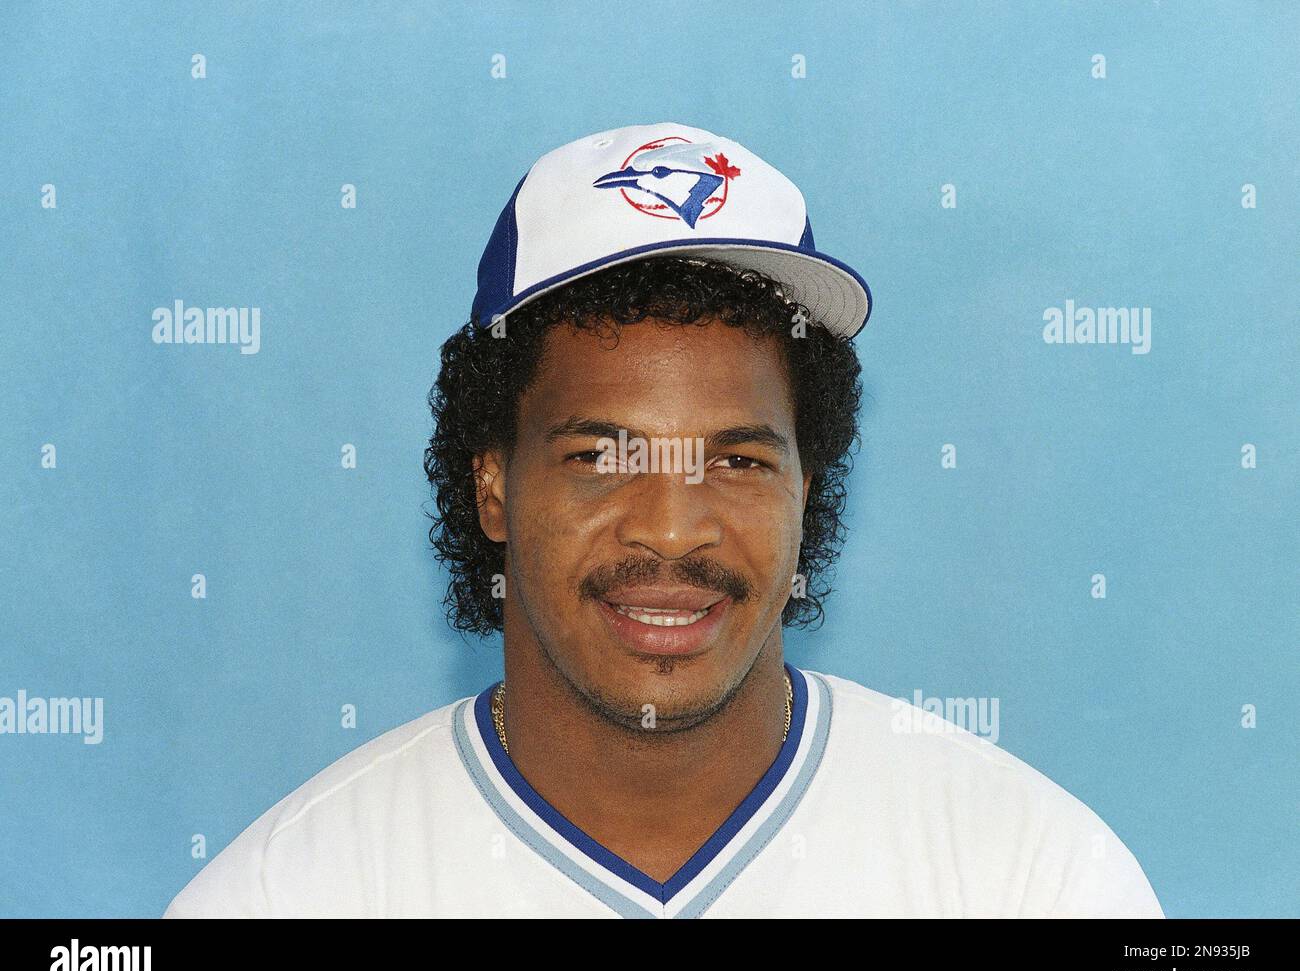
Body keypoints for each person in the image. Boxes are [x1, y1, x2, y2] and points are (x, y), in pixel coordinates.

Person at [164, 122, 1163, 918]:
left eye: (735, 459)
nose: (674, 531)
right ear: (493, 485)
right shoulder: (289, 893)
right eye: (600, 456)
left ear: (805, 487)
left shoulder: (1033, 878)